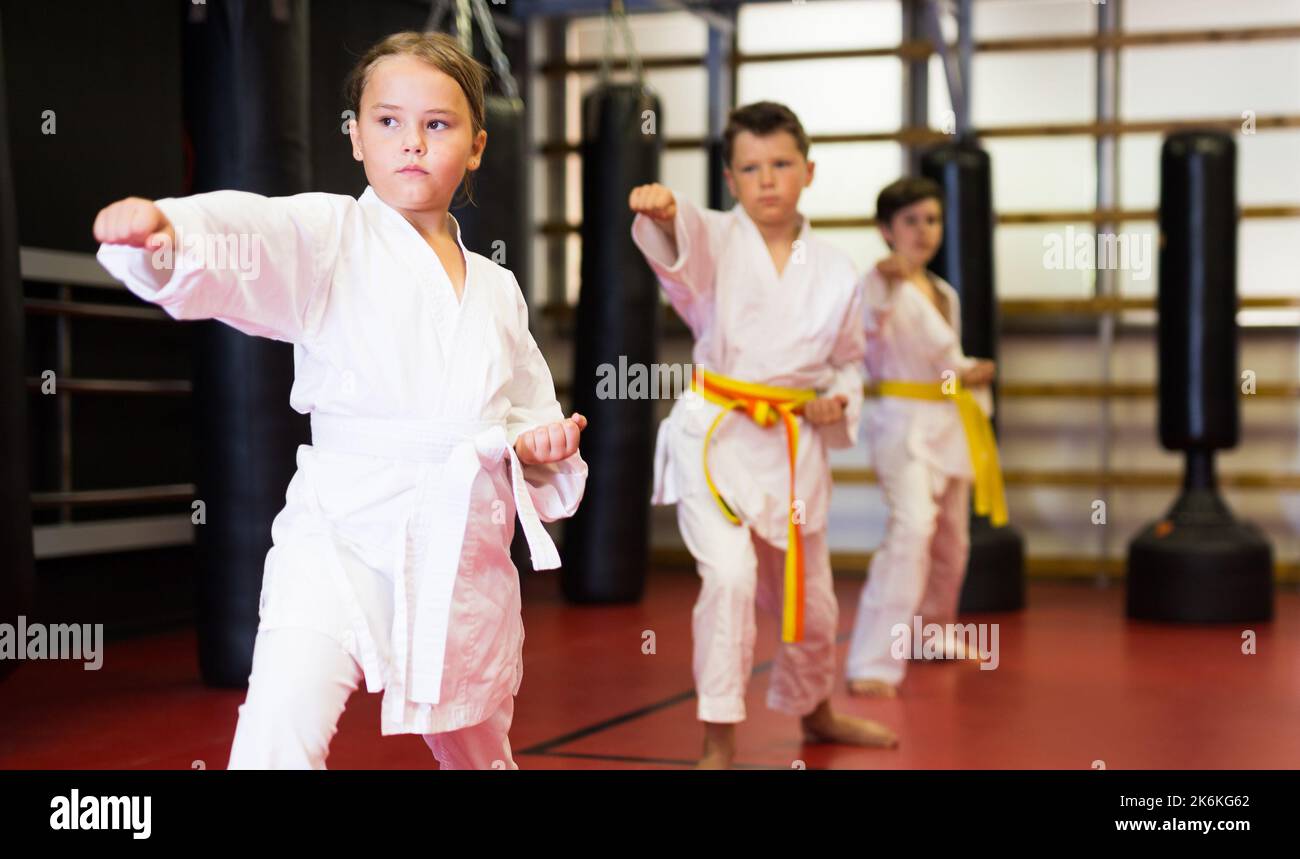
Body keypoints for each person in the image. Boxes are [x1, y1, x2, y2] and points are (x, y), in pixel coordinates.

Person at [93, 31, 587, 769]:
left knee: (476, 746)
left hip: (455, 547)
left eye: (438, 124)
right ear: (355, 137)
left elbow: (524, 409)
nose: (411, 142)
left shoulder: (498, 288)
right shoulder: (332, 236)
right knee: (278, 731)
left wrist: (538, 443)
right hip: (338, 530)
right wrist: (169, 238)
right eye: (388, 122)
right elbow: (256, 235)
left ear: (478, 145)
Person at [629, 101, 898, 769]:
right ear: (731, 179)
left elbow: (847, 361)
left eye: (781, 164)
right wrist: (664, 214)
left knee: (810, 599)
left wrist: (838, 400)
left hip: (791, 441)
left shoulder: (837, 269)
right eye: (751, 168)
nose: (768, 180)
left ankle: (817, 711)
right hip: (716, 440)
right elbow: (676, 252)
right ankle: (718, 734)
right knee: (728, 577)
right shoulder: (716, 239)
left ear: (808, 170)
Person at [845, 176, 1003, 699]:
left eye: (931, 219)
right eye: (910, 220)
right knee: (912, 530)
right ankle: (872, 660)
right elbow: (862, 340)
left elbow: (944, 363)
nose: (923, 230)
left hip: (949, 421)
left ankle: (932, 635)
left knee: (952, 541)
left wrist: (968, 371)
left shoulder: (943, 291)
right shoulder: (876, 283)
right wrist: (886, 287)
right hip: (903, 422)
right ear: (885, 229)